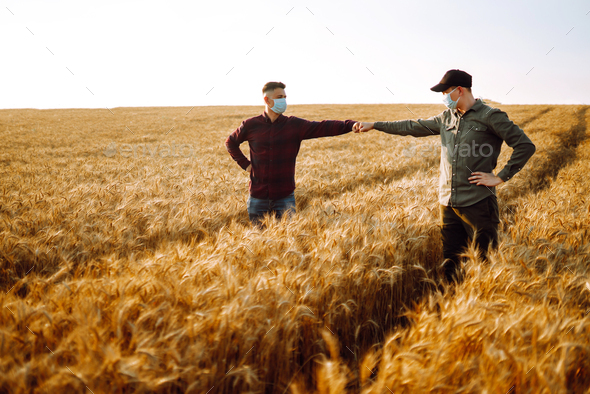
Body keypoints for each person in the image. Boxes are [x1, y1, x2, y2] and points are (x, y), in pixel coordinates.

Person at [353, 69, 536, 283]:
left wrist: (501, 177)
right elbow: (412, 126)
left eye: (445, 92)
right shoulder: (446, 117)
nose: (443, 98)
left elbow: (525, 145)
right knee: (451, 267)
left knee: (486, 266)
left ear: (459, 90)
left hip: (478, 204)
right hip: (447, 205)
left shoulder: (490, 116)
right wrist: (375, 125)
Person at [226, 81, 357, 225]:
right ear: (267, 100)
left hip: (285, 198)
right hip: (258, 197)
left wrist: (351, 125)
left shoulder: (294, 125)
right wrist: (246, 165)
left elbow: (323, 127)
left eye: (284, 97)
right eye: (279, 97)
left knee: (287, 240)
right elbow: (230, 142)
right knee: (258, 239)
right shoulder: (251, 125)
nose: (283, 100)